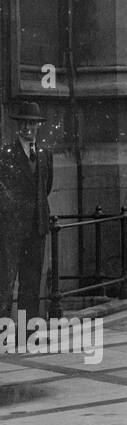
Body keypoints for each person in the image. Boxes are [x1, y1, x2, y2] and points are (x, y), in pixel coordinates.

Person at [0, 102, 53, 320]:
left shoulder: (44, 154)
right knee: (6, 280)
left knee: (31, 281)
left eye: (34, 124)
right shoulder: (6, 154)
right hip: (12, 228)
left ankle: (28, 330)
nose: (30, 129)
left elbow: (46, 186)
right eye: (26, 124)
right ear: (18, 126)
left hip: (37, 226)